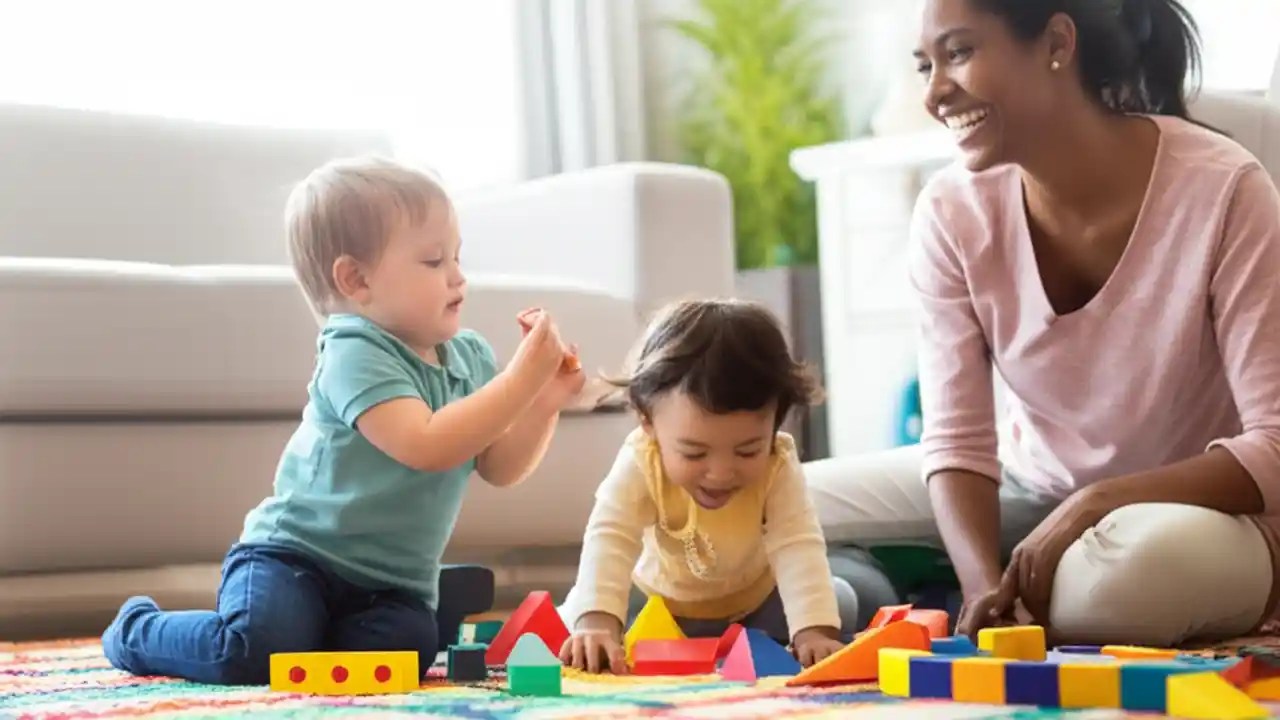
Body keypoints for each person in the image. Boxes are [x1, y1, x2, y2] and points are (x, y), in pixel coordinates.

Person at [807, 0, 1280, 647]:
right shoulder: (951, 211)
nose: (935, 93)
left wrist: (1099, 502)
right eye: (925, 65)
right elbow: (958, 442)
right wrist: (981, 589)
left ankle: (924, 579)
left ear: (1057, 42)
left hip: (1208, 517)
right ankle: (907, 587)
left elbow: (1275, 446)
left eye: (960, 53)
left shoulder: (1225, 189)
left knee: (1116, 588)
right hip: (1035, 485)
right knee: (772, 505)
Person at [102, 156, 585, 684]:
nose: (458, 275)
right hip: (293, 558)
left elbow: (500, 466)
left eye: (457, 256)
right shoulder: (353, 350)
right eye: (433, 261)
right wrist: (520, 380)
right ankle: (137, 629)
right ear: (356, 279)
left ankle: (320, 631)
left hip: (392, 584)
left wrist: (542, 401)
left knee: (404, 654)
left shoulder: (468, 358)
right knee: (258, 649)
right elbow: (424, 445)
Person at [558, 299, 858, 674]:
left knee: (838, 604)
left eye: (747, 451)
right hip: (656, 604)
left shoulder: (778, 462)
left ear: (776, 423)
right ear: (647, 420)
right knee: (579, 619)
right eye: (695, 453)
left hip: (753, 607)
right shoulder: (642, 458)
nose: (720, 473)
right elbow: (611, 533)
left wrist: (814, 632)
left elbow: (796, 541)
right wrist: (597, 623)